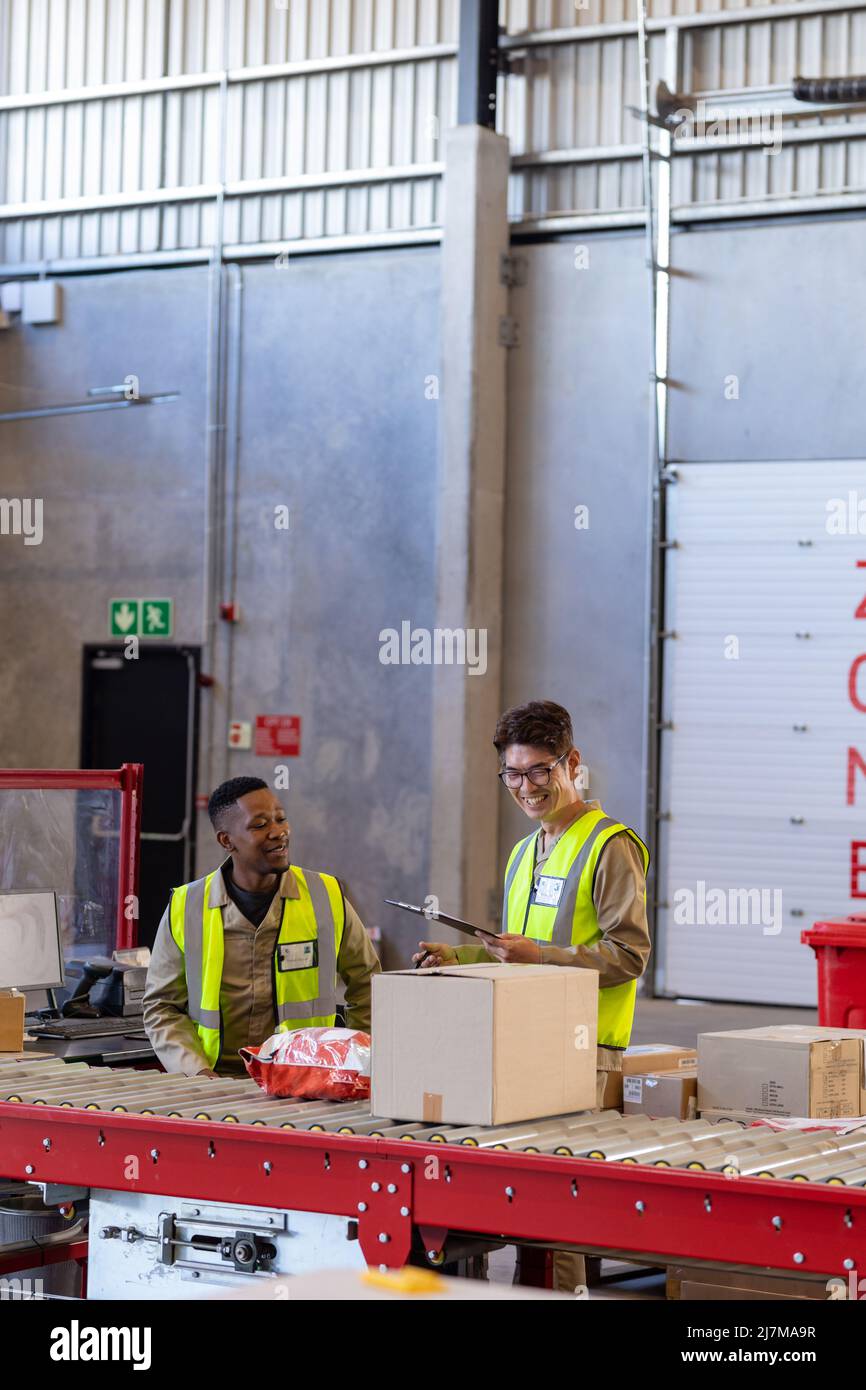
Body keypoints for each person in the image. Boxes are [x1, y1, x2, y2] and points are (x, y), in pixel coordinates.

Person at [414, 699, 651, 1292]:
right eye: (513, 775)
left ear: (571, 763)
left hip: (585, 1051)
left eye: (540, 771)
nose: (526, 788)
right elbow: (513, 952)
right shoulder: (526, 852)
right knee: (523, 1199)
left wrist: (538, 956)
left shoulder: (609, 846)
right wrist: (459, 957)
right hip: (522, 1048)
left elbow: (629, 956)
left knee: (560, 1206)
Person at [143, 776, 380, 1077]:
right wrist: (196, 1072)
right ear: (226, 840)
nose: (278, 832)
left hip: (306, 1081)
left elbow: (369, 983)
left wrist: (351, 1059)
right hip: (216, 1081)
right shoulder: (187, 906)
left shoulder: (326, 896)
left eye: (280, 819)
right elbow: (162, 1007)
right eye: (260, 825)